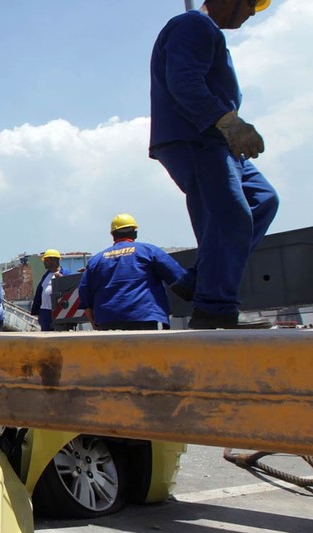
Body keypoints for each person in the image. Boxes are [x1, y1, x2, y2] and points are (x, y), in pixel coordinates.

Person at [149, 0, 278, 329]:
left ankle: (199, 279)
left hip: (217, 142)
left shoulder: (206, 32)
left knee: (262, 200)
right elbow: (184, 82)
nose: (251, 14)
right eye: (251, 5)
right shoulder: (193, 25)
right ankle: (214, 311)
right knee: (230, 213)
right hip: (196, 138)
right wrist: (231, 124)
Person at [78, 214, 187, 331]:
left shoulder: (96, 260)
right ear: (135, 232)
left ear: (113, 235)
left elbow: (84, 294)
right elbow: (178, 276)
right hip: (143, 317)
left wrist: (93, 322)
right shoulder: (149, 251)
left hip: (107, 320)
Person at [30, 249, 69, 331]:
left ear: (55, 260)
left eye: (46, 260)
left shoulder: (65, 273)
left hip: (60, 312)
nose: (44, 262)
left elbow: (71, 288)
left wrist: (62, 279)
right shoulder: (46, 275)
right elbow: (40, 293)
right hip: (45, 312)